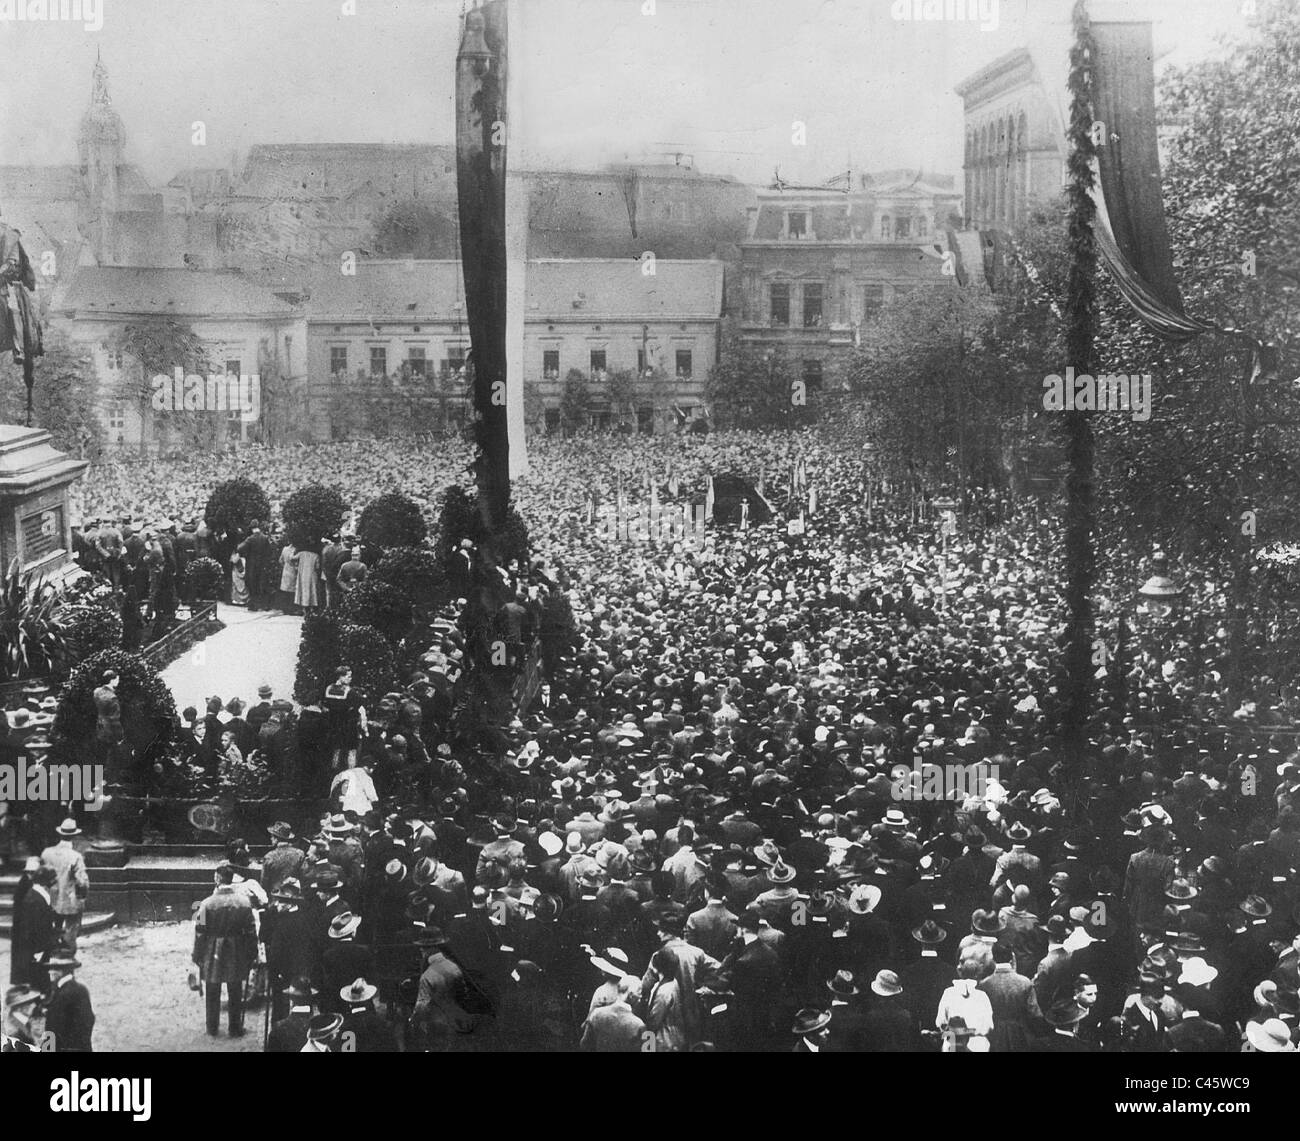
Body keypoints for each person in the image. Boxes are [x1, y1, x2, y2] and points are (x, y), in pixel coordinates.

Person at [193, 862, 258, 1037]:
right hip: (236, 947)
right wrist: (253, 953)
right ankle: (235, 1028)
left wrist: (197, 954)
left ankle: (212, 1027)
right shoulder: (244, 902)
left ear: (217, 879)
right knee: (235, 988)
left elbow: (200, 931)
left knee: (212, 988)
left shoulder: (206, 903)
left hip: (213, 947)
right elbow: (251, 930)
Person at [40, 819, 89, 953]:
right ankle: (67, 955)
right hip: (69, 898)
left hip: (50, 898)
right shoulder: (76, 856)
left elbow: (41, 876)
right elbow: (82, 881)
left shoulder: (46, 853)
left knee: (54, 926)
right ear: (74, 836)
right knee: (71, 930)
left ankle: (52, 952)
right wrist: (83, 897)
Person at [11, 863, 57, 990]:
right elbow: (33, 928)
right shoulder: (34, 899)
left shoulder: (38, 894)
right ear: (46, 881)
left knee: (41, 975)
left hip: (41, 946)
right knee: (38, 979)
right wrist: (38, 949)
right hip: (37, 948)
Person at [42, 952, 95, 1052]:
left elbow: (54, 1028)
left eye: (54, 968)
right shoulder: (80, 989)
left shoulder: (64, 994)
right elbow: (89, 1020)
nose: (50, 972)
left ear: (64, 971)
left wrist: (46, 1049)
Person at [579, 974, 646, 1051]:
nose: (641, 996)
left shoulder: (595, 1015)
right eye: (639, 992)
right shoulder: (639, 1025)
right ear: (630, 995)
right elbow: (650, 1049)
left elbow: (584, 1045)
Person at [339, 977, 398, 1052]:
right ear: (368, 1001)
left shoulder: (346, 1027)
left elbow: (347, 1050)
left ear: (350, 1003)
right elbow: (393, 1048)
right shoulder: (380, 1023)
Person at [296, 544, 322, 614]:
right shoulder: (316, 555)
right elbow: (317, 567)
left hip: (303, 574)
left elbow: (292, 558)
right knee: (312, 590)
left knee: (304, 590)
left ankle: (305, 608)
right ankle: (312, 607)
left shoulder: (301, 553)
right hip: (312, 575)